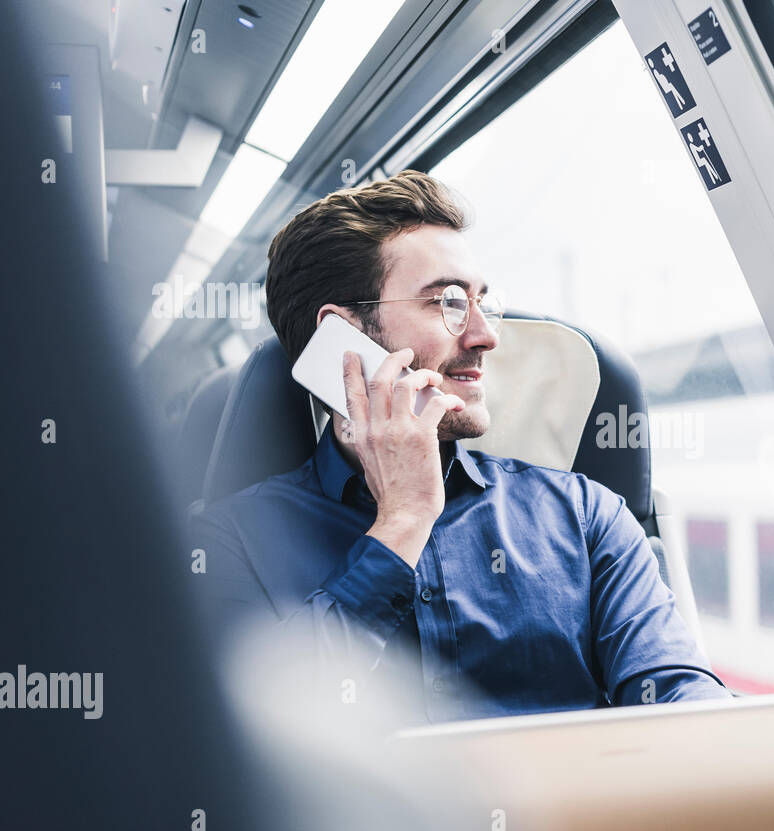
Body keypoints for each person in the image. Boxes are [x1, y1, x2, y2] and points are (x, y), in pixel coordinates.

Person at [190, 170, 730, 724]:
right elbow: (249, 739)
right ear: (343, 339)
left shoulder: (587, 517)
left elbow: (688, 708)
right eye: (446, 303)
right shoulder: (224, 545)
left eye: (481, 303)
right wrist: (401, 523)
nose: (484, 335)